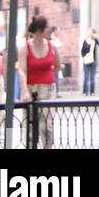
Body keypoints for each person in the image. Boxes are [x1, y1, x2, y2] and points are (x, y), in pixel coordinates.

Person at [16, 15, 61, 148]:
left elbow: (58, 66)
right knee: (30, 124)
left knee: (46, 124)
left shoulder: (52, 45)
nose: (49, 29)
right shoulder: (25, 47)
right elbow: (21, 70)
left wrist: (47, 75)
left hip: (48, 88)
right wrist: (24, 91)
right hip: (31, 87)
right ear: (39, 29)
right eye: (46, 27)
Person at [80, 28, 99, 95]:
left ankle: (92, 91)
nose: (90, 34)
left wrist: (96, 38)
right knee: (86, 76)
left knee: (92, 77)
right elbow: (82, 51)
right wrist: (84, 58)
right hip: (86, 60)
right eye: (90, 32)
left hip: (93, 60)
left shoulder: (95, 41)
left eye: (92, 33)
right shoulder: (85, 41)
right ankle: (85, 91)